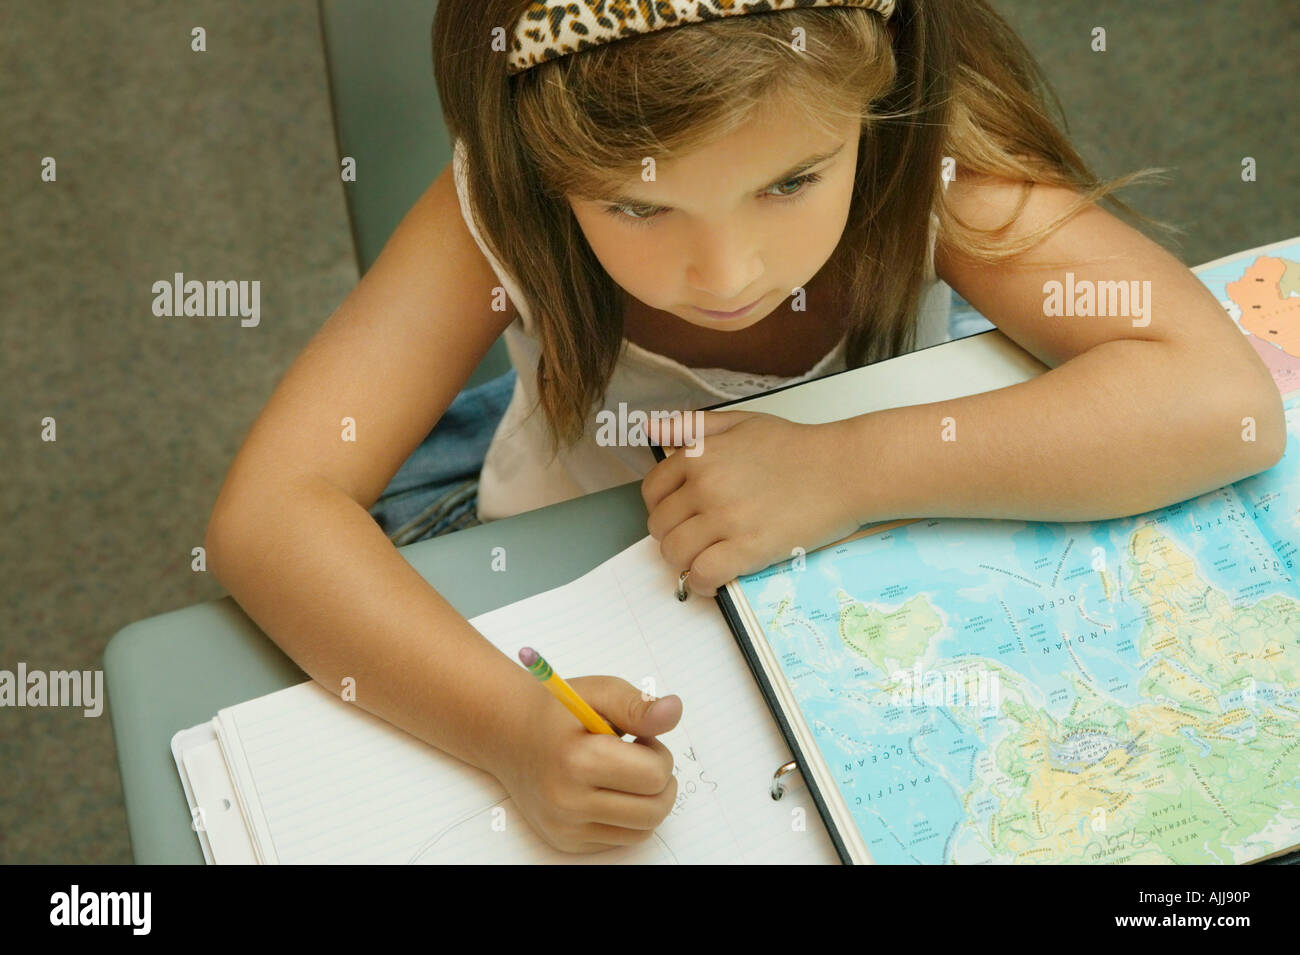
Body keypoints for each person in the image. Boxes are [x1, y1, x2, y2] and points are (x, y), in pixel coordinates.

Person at [204, 0, 1286, 856]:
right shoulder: (501, 192)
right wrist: (504, 729)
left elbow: (1220, 401)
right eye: (638, 207)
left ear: (881, 98)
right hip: (583, 575)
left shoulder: (927, 140)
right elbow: (268, 515)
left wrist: (848, 470)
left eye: (791, 182)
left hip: (870, 570)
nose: (730, 276)